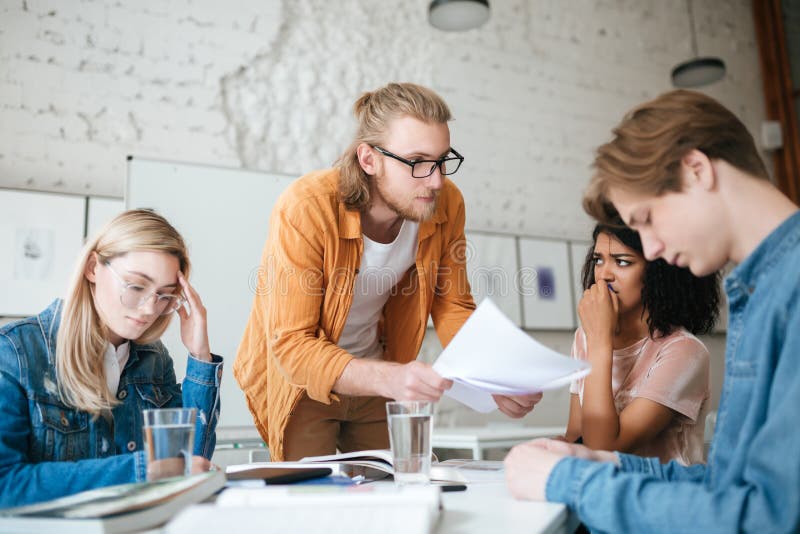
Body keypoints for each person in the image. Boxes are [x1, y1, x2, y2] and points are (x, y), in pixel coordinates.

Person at [505, 89, 800, 532]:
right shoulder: (762, 291)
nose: (653, 248)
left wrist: (572, 480)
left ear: (696, 170)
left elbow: (768, 519)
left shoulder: (788, 289)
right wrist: (594, 461)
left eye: (647, 218)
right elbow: (728, 488)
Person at [235, 82, 541, 461]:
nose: (435, 181)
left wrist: (492, 375)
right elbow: (293, 344)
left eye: (442, 160)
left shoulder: (446, 203)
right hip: (306, 381)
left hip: (378, 374)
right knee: (314, 493)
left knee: (398, 483)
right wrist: (392, 377)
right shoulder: (307, 206)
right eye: (417, 162)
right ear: (369, 159)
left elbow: (452, 306)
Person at [0, 209, 223, 508]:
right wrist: (141, 472)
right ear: (93, 267)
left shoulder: (155, 360)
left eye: (165, 295)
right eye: (136, 286)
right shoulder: (14, 352)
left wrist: (200, 356)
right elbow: (5, 485)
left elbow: (189, 468)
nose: (150, 308)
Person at [563, 221, 719, 465]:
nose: (604, 275)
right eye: (598, 260)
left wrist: (600, 342)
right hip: (606, 485)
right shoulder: (585, 337)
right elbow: (576, 437)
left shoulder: (685, 351)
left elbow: (604, 450)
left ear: (659, 272)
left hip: (663, 488)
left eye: (622, 262)